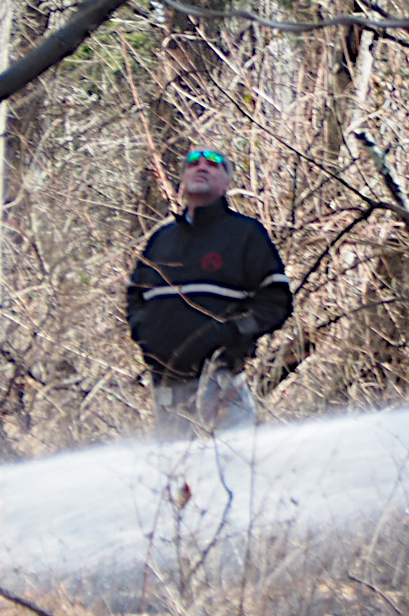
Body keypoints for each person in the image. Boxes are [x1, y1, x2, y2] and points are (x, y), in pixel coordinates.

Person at [124, 146, 292, 432]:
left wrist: (232, 332)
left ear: (227, 183)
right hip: (167, 387)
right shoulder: (161, 239)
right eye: (193, 163)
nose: (201, 167)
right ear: (182, 179)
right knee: (173, 459)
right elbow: (135, 297)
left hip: (222, 383)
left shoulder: (245, 234)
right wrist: (145, 335)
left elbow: (276, 301)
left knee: (233, 455)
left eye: (213, 164)